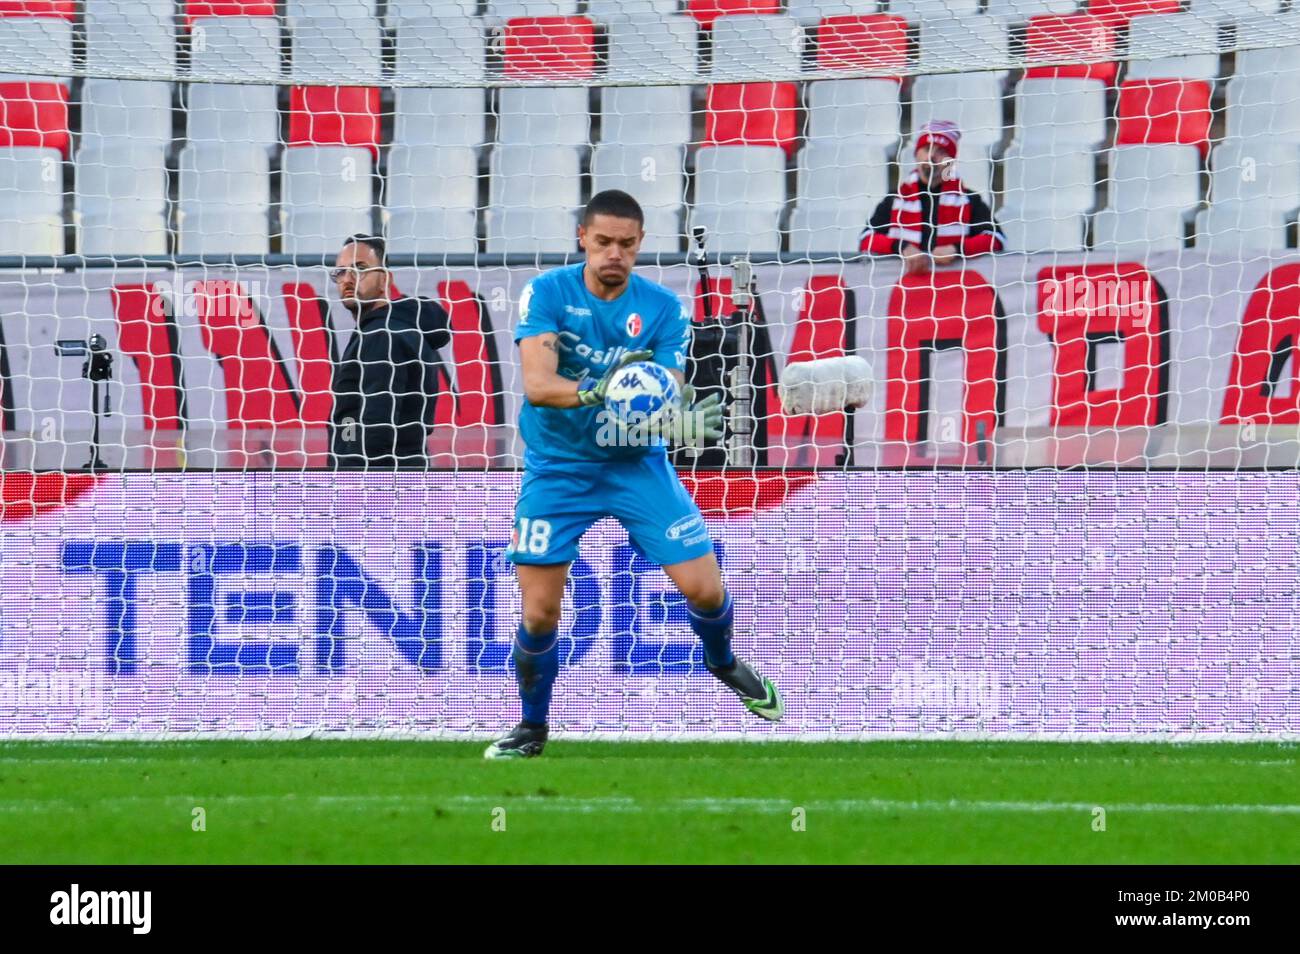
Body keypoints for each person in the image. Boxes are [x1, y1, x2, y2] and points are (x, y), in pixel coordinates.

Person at [484, 190, 784, 759]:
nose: (614, 254)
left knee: (705, 588)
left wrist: (673, 410)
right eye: (603, 243)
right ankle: (531, 728)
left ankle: (720, 659)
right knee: (540, 612)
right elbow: (539, 386)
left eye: (626, 243)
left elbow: (666, 385)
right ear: (583, 241)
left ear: (640, 244)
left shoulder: (664, 309)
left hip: (636, 463)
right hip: (560, 469)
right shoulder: (547, 292)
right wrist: (600, 389)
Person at [328, 235, 451, 469]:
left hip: (377, 484)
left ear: (385, 279)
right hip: (404, 475)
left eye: (360, 268)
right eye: (340, 272)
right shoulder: (400, 330)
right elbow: (356, 414)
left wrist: (348, 470)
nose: (348, 279)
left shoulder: (381, 334)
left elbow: (375, 422)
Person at [860, 120, 1005, 274]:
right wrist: (902, 247)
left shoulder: (969, 199)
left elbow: (996, 239)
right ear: (917, 155)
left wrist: (957, 249)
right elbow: (866, 239)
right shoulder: (895, 198)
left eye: (941, 152)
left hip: (952, 288)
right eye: (927, 149)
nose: (931, 157)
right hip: (906, 287)